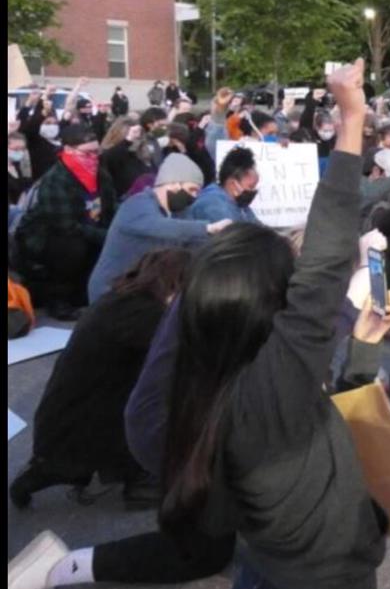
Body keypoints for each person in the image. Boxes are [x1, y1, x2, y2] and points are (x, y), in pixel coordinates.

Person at [160, 60, 389, 588]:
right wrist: (351, 121)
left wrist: (360, 360)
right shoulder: (266, 385)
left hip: (270, 564)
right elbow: (327, 259)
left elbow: (315, 416)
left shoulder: (212, 379)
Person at [9, 249, 191, 510]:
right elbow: (180, 355)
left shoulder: (125, 299)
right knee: (153, 413)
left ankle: (125, 474)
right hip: (87, 418)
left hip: (77, 411)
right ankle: (139, 482)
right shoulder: (142, 313)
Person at [87, 153, 230, 304]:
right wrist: (208, 228)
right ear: (174, 183)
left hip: (140, 291)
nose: (194, 197)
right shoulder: (137, 204)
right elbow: (161, 228)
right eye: (192, 189)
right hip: (111, 292)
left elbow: (191, 243)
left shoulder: (178, 212)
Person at [14, 126, 118, 321]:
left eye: (97, 151)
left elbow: (110, 206)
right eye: (88, 152)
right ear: (69, 150)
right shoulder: (56, 178)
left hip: (88, 229)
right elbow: (65, 224)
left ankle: (87, 292)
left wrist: (116, 229)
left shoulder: (100, 175)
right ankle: (58, 300)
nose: (94, 157)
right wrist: (105, 236)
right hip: (47, 237)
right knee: (71, 246)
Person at [187, 146, 262, 225]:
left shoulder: (239, 204)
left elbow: (257, 226)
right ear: (233, 184)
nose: (254, 191)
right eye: (251, 186)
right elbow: (235, 235)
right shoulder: (213, 206)